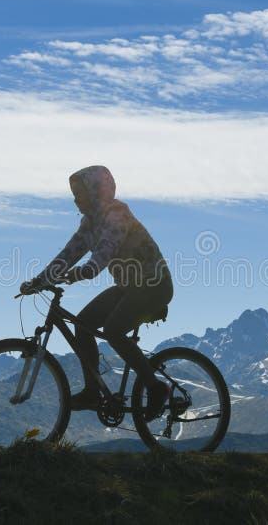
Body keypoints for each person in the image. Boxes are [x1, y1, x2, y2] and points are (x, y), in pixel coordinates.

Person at [20, 165, 174, 421]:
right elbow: (68, 253)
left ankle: (156, 388)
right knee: (83, 325)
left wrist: (87, 270)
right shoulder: (89, 223)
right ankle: (93, 392)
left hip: (154, 285)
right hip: (129, 287)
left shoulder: (117, 214)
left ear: (95, 192)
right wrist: (39, 281)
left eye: (80, 193)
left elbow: (107, 248)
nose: (75, 199)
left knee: (113, 330)